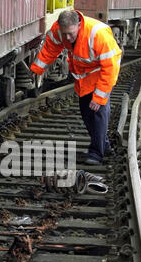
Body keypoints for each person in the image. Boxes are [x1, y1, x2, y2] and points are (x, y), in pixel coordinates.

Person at [30, 10, 122, 165]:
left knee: (98, 113)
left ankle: (96, 154)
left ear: (79, 25)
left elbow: (110, 68)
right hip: (83, 78)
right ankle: (103, 146)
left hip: (100, 77)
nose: (67, 38)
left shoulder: (99, 36)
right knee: (87, 114)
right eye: (64, 33)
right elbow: (50, 50)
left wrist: (99, 97)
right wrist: (36, 69)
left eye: (71, 34)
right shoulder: (58, 30)